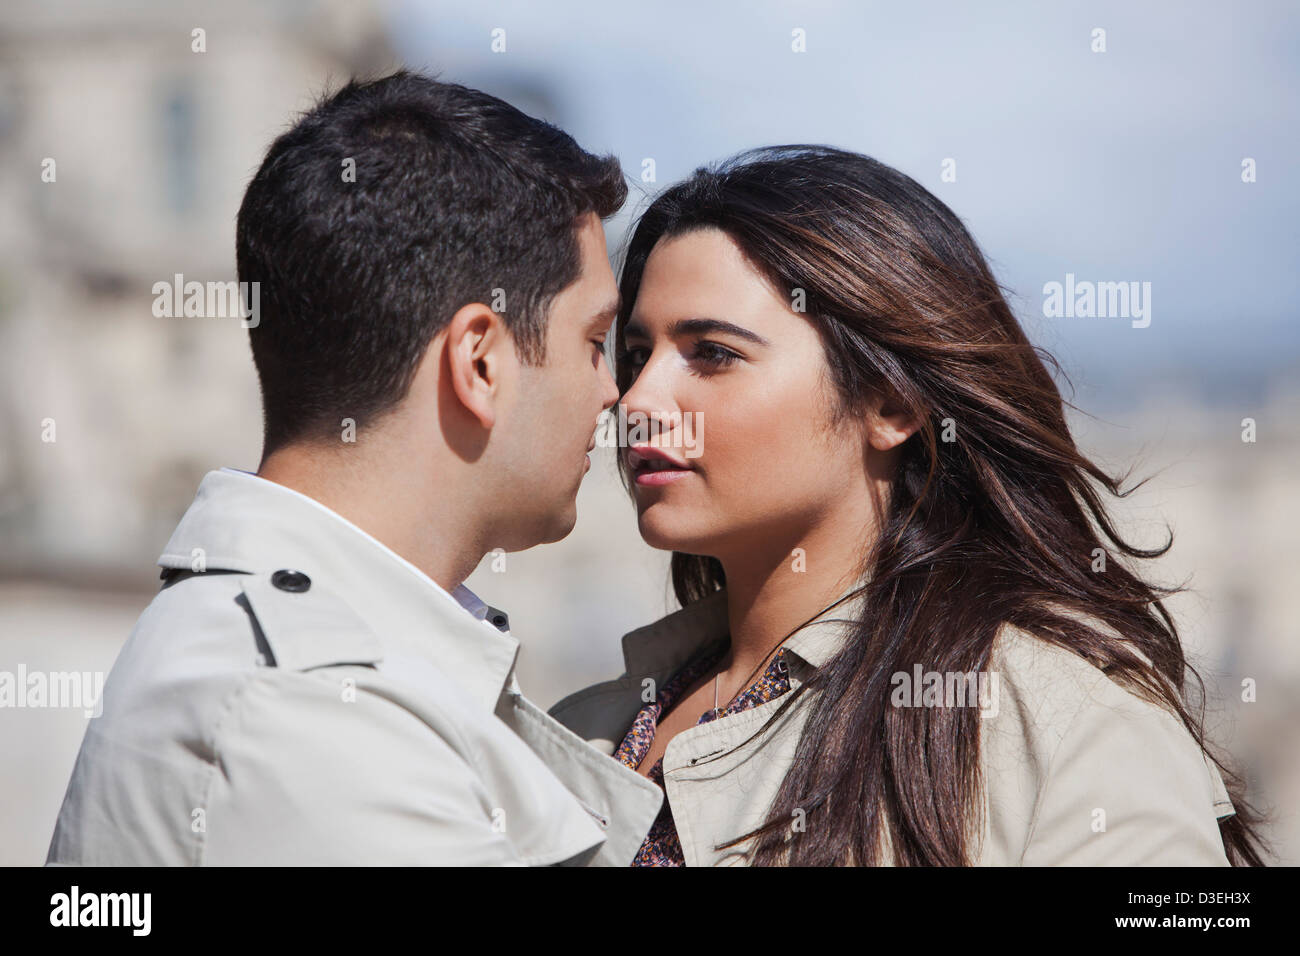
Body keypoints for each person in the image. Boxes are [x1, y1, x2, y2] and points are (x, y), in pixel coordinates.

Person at [549, 145, 1270, 866]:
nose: (637, 399)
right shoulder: (577, 736)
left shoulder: (1060, 722)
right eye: (637, 354)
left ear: (890, 402)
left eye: (711, 353)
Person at [46, 70, 663, 866]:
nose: (614, 391)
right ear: (479, 363)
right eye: (594, 343)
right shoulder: (311, 710)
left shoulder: (303, 659)